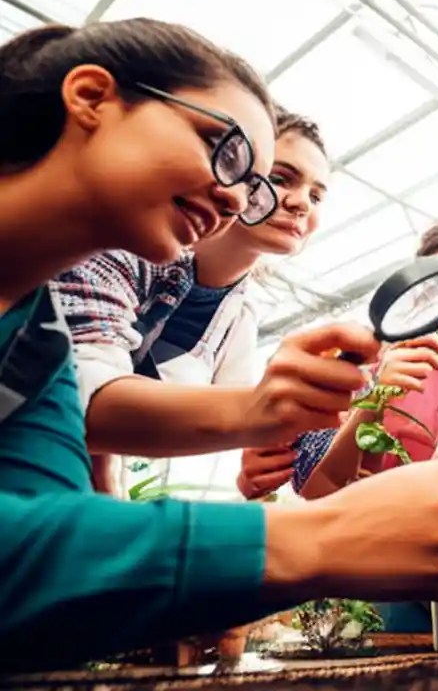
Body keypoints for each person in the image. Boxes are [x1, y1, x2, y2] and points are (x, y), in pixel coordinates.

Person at [0, 18, 438, 670]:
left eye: (253, 175)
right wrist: (313, 539)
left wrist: (188, 588)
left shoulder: (40, 342)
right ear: (91, 98)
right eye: (222, 151)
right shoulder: (84, 310)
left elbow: (50, 556)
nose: (236, 194)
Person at [70, 108, 331, 498]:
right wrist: (261, 411)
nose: (302, 204)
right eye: (280, 179)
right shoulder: (128, 253)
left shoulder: (239, 318)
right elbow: (78, 402)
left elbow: (227, 440)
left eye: (316, 194)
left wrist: (250, 471)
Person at [291, 216, 438, 501]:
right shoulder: (365, 351)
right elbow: (316, 479)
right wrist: (376, 395)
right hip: (360, 517)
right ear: (421, 269)